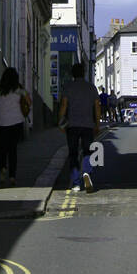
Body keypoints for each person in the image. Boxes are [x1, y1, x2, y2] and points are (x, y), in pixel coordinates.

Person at [58, 62, 101, 192]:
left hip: (72, 125)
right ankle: (86, 172)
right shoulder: (91, 87)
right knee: (87, 151)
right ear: (84, 73)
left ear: (72, 74)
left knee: (73, 153)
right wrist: (97, 124)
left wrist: (60, 121)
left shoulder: (68, 87)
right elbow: (97, 106)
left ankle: (76, 183)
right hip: (88, 124)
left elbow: (64, 105)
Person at [0, 67, 31, 186]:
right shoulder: (19, 90)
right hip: (16, 122)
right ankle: (12, 176)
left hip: (0, 122)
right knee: (12, 149)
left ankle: (3, 169)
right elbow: (29, 102)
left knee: (2, 148)